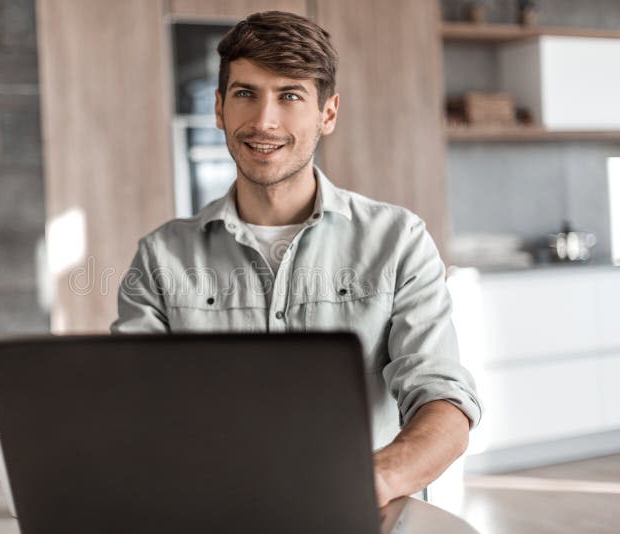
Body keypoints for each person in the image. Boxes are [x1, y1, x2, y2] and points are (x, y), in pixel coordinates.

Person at [110, 11, 482, 508]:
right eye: (245, 94)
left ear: (327, 113)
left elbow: (444, 401)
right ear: (219, 108)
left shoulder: (399, 241)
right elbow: (130, 409)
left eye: (289, 96)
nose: (264, 121)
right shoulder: (160, 257)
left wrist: (374, 478)